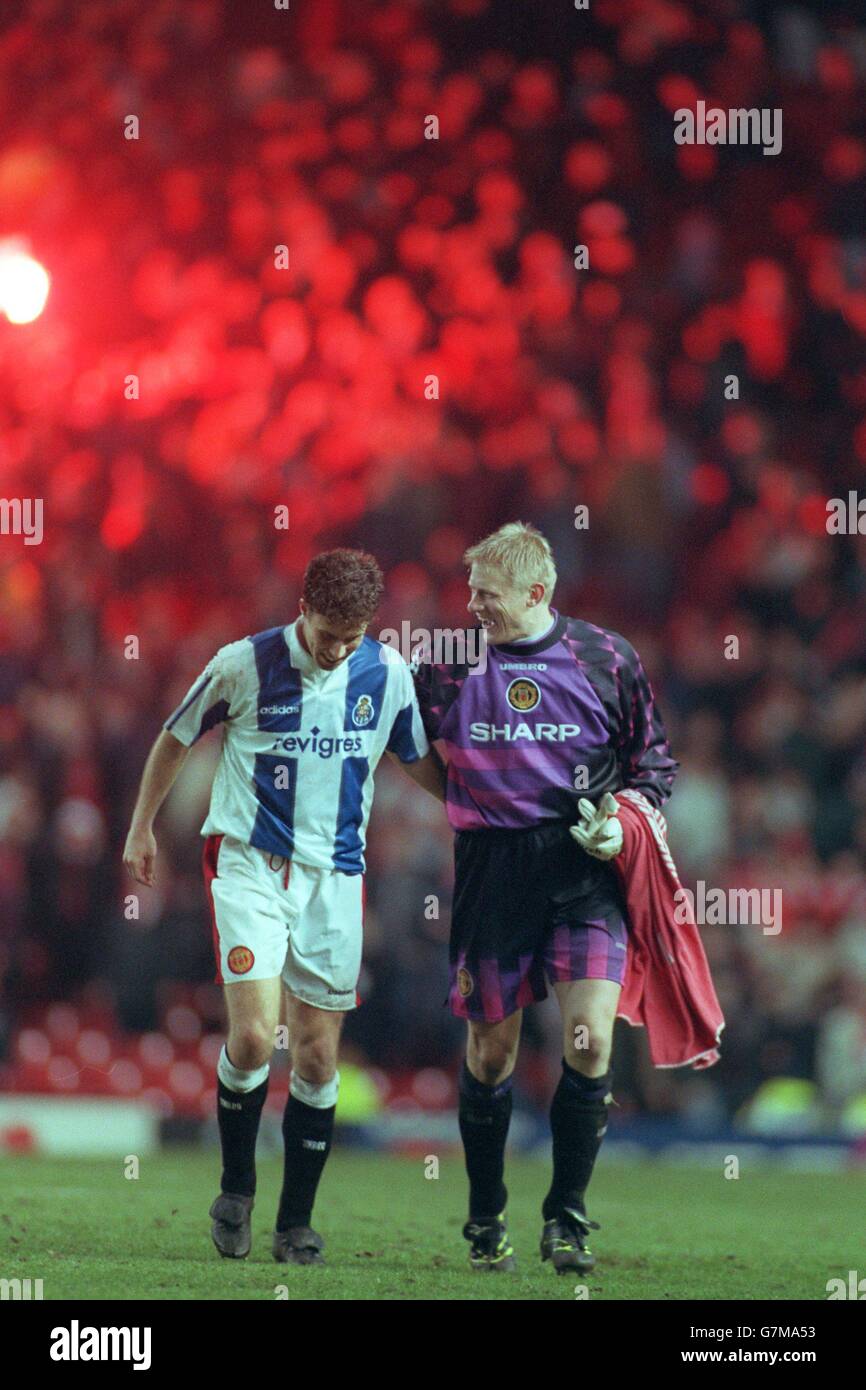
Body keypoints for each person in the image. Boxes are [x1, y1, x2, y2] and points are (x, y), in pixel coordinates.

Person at [123, 549, 445, 1266]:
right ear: (304, 607)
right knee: (251, 1036)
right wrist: (143, 824)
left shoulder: (386, 674)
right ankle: (237, 1188)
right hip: (250, 867)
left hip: (335, 880)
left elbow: (416, 756)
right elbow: (176, 735)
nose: (337, 649)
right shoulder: (244, 662)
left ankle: (295, 1223)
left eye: (351, 636)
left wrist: (481, 810)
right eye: (328, 631)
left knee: (319, 1054)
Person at [411, 522, 678, 1274]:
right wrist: (461, 800)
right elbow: (405, 744)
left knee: (591, 1037)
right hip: (492, 870)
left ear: (536, 593)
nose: (473, 607)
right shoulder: (449, 663)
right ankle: (486, 1215)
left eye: (486, 595)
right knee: (492, 1053)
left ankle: (567, 1221)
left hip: (580, 867)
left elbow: (653, 764)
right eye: (470, 591)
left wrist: (620, 825)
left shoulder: (606, 658)